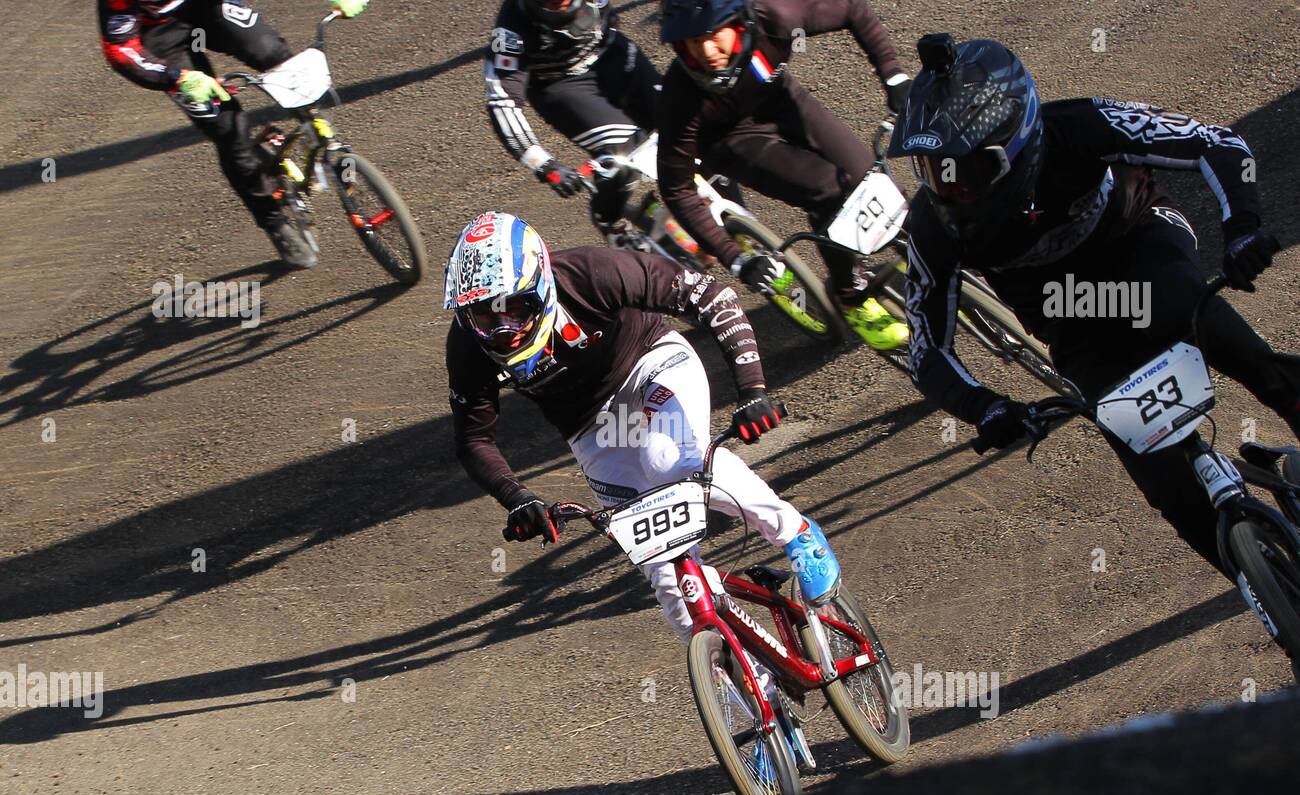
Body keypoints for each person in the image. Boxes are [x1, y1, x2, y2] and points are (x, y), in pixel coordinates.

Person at [888, 32, 1298, 580]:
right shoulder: (931, 225)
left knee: (1228, 342)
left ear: (1016, 145)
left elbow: (1216, 143)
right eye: (936, 174)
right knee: (1169, 491)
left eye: (965, 173)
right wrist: (982, 406)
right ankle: (1271, 599)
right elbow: (924, 348)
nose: (950, 192)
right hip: (1076, 324)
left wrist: (1242, 230)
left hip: (1141, 252)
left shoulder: (1078, 126)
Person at [445, 211, 844, 641]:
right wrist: (518, 499)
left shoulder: (591, 273)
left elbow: (713, 297)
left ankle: (797, 534)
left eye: (516, 309)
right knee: (669, 581)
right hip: (591, 426)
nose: (505, 332)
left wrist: (753, 390)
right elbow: (472, 438)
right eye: (486, 318)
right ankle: (755, 693)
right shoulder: (468, 345)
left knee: (671, 461)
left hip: (651, 364)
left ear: (542, 284)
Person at [656, 0, 912, 350]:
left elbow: (852, 10)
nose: (704, 52)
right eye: (688, 42)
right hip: (730, 140)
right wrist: (737, 258)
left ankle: (923, 247)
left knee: (867, 176)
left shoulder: (776, 18)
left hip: (780, 99)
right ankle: (849, 294)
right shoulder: (680, 98)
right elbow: (677, 189)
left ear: (739, 23)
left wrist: (894, 75)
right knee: (827, 190)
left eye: (713, 35)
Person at [96, 0, 369, 269]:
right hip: (157, 34)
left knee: (279, 59)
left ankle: (313, 129)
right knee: (228, 130)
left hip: (209, 6)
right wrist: (177, 77)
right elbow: (121, 49)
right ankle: (273, 221)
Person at [484, 0, 662, 235]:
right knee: (623, 154)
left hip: (613, 52)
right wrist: (544, 165)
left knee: (681, 119)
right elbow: (502, 103)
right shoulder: (509, 34)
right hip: (562, 83)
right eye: (555, 4)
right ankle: (611, 222)